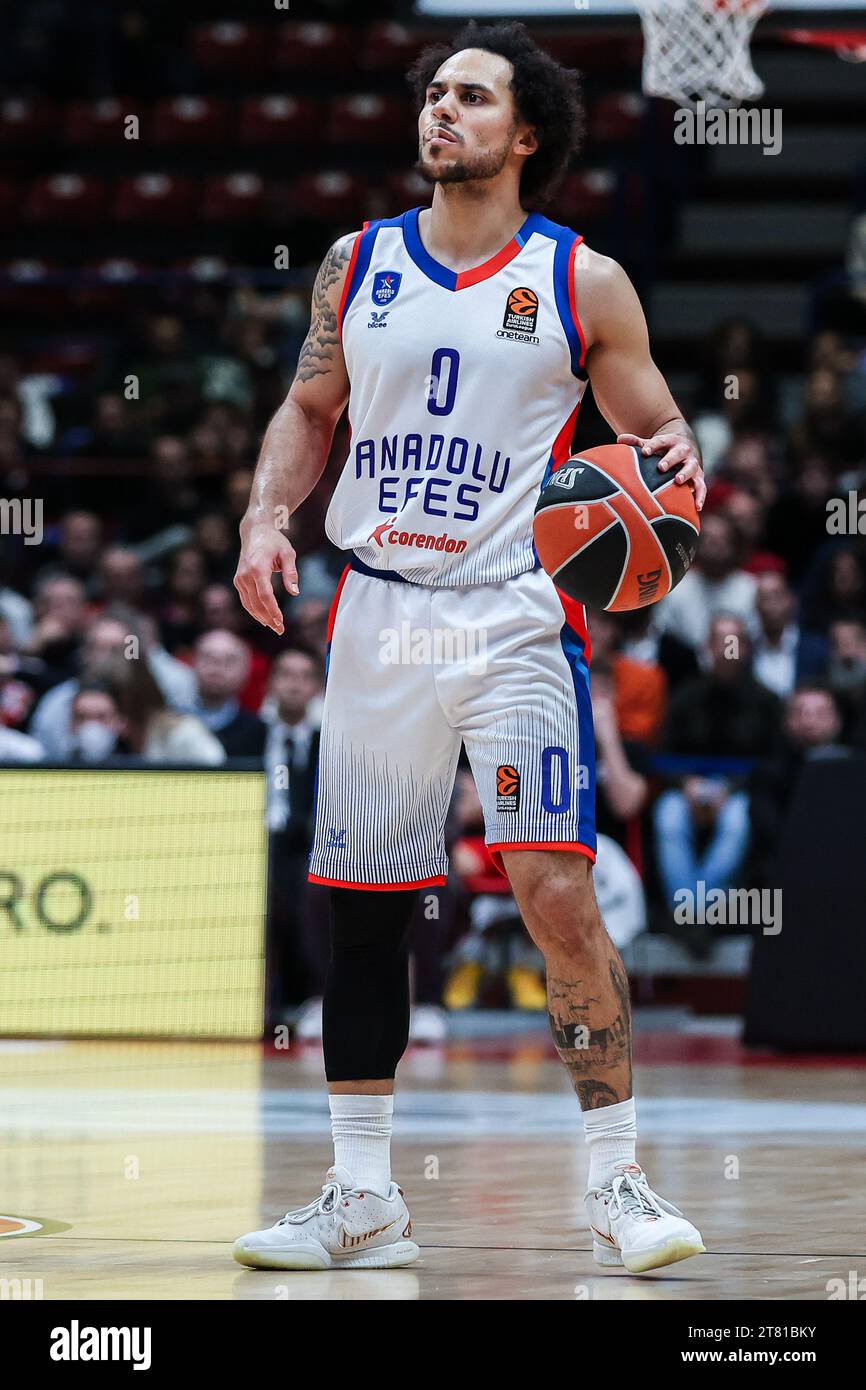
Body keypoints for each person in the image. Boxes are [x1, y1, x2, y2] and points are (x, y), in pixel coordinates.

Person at [232, 21, 706, 1275]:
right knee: (365, 916)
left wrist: (679, 463)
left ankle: (618, 1186)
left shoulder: (581, 281)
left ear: (525, 132)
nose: (442, 112)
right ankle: (361, 1196)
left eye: (472, 97)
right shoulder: (354, 263)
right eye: (434, 93)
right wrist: (265, 514)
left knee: (553, 891)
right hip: (377, 612)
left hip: (511, 613)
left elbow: (654, 438)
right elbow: (306, 406)